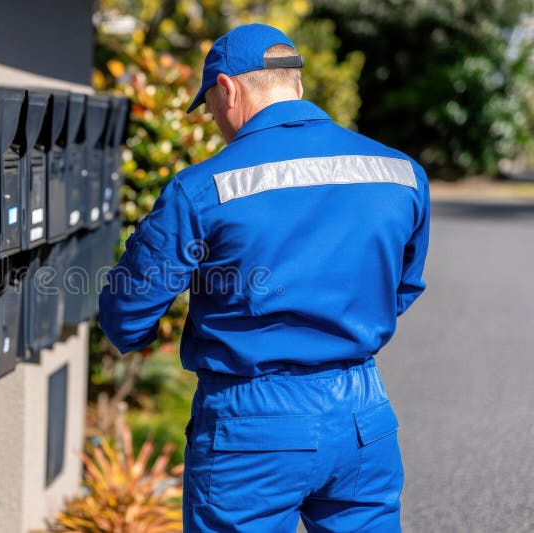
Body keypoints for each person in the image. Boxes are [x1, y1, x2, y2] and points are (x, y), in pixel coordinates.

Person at [98, 23, 430, 533]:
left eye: (210, 108)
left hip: (249, 424)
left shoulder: (201, 188)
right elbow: (402, 286)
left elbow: (126, 314)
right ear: (293, 83)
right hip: (363, 414)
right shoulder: (401, 172)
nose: (216, 123)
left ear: (227, 89)